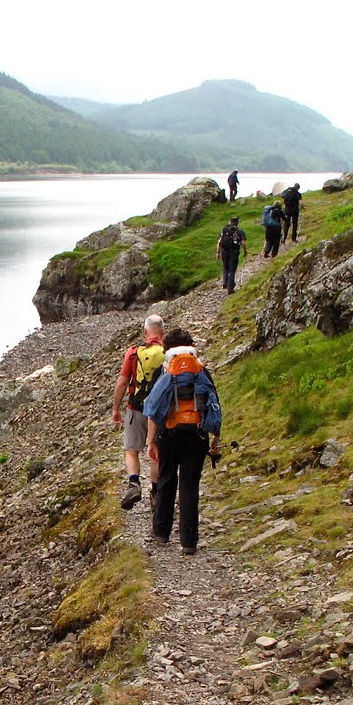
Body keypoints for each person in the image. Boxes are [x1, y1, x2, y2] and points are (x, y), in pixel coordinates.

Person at [142, 328, 223, 555]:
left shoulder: (164, 371)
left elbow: (153, 408)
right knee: (190, 484)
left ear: (167, 348)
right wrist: (215, 438)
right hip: (197, 434)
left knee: (166, 479)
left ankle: (161, 532)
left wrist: (151, 441)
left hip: (169, 433)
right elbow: (214, 405)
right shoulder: (201, 370)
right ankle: (189, 542)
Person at [110, 312, 166, 509]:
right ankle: (156, 493)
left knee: (131, 449)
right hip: (160, 412)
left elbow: (123, 382)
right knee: (155, 452)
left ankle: (134, 483)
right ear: (162, 332)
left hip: (137, 408)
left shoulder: (134, 352)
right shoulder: (168, 352)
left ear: (145, 331)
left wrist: (116, 409)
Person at [216, 216, 247, 294]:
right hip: (234, 252)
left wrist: (218, 252)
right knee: (232, 269)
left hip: (224, 251)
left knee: (225, 267)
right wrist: (245, 251)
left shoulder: (224, 230)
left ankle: (225, 283)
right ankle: (230, 288)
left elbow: (219, 242)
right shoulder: (239, 231)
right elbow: (243, 242)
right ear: (237, 223)